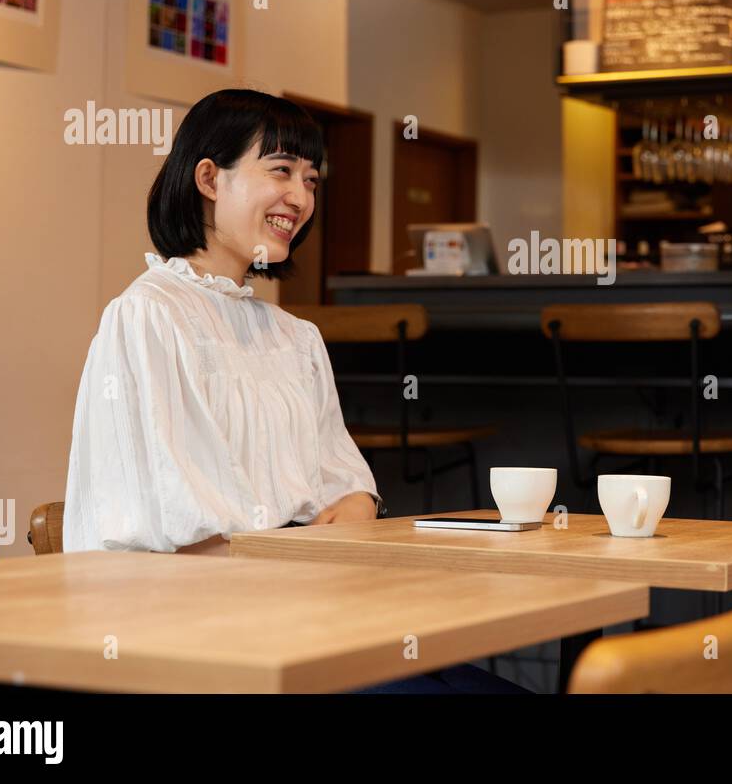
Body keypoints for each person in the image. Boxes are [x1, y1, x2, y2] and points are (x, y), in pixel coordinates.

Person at [63, 89, 527, 692]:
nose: (301, 198)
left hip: (312, 620)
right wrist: (305, 549)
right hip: (202, 641)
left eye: (311, 180)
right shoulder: (148, 316)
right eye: (280, 170)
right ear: (209, 178)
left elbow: (350, 488)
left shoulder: (295, 336)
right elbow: (164, 536)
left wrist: (354, 506)